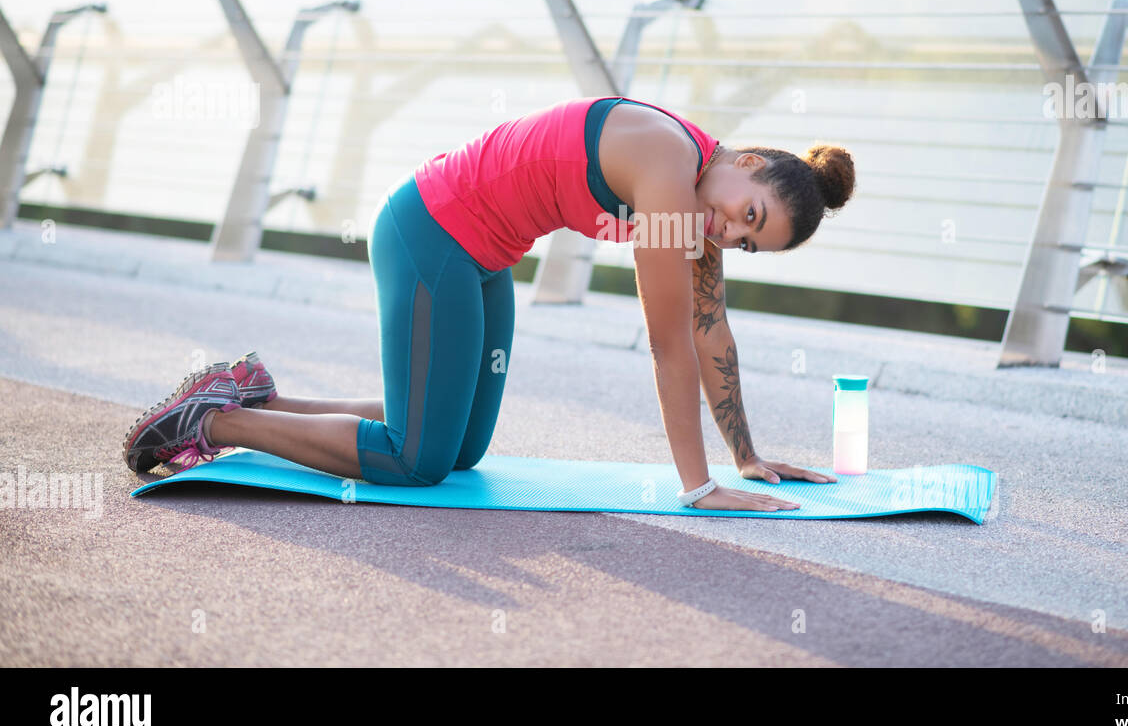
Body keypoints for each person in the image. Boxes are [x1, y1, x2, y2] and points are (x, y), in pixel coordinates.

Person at [123, 96, 856, 512]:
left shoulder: (695, 191)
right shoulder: (669, 169)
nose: (727, 234)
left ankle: (257, 394)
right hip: (430, 234)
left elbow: (711, 329)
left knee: (460, 449)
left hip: (484, 258)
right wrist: (700, 489)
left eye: (746, 243)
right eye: (746, 216)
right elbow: (668, 344)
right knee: (418, 460)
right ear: (748, 164)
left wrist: (748, 457)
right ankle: (216, 419)